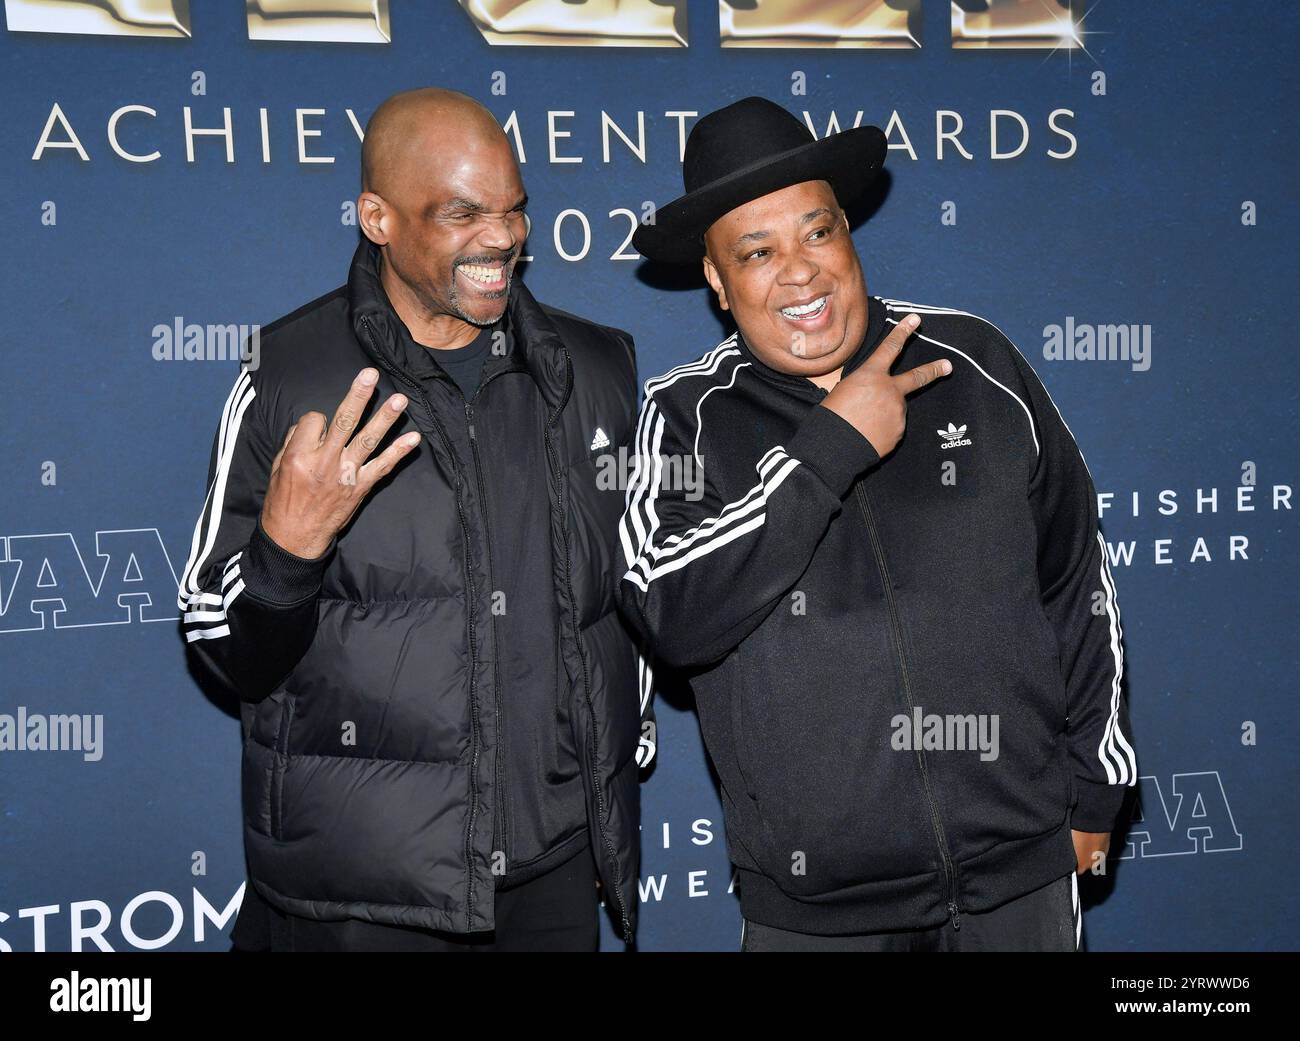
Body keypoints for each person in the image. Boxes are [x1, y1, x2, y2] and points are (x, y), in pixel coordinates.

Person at [619, 97, 1136, 952]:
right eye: (757, 251)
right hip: (818, 917)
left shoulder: (976, 361)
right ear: (716, 279)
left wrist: (1095, 791)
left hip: (1022, 881)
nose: (800, 272)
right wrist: (829, 448)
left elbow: (1077, 584)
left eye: (816, 233)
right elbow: (669, 609)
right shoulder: (683, 416)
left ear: (849, 231)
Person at [178, 87, 651, 952]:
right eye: (463, 212)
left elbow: (631, 600)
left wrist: (602, 798)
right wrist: (288, 552)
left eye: (514, 209)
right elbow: (217, 642)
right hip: (364, 891)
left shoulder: (597, 369)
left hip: (553, 874)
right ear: (378, 218)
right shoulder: (289, 374)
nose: (502, 237)